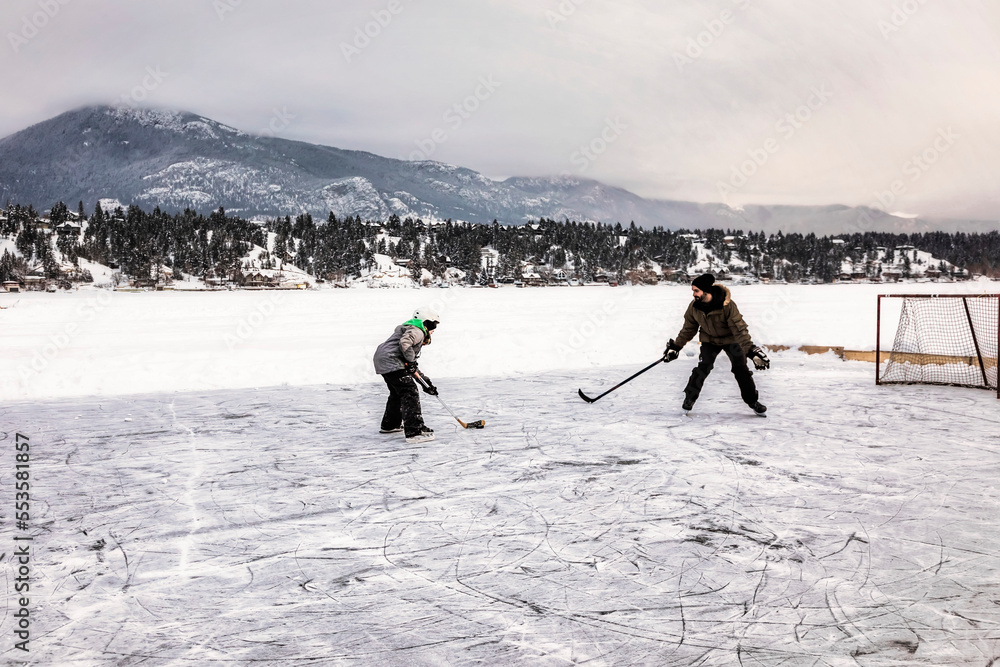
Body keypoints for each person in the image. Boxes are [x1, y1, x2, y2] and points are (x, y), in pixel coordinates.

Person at [663, 274, 770, 415]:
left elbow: (739, 330)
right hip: (709, 340)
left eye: (696, 291)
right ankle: (689, 398)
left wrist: (751, 350)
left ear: (706, 291)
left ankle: (752, 401)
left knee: (740, 369)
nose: (693, 294)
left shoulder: (727, 305)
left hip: (731, 340)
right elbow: (688, 329)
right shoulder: (694, 307)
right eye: (693, 291)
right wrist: (676, 347)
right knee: (703, 367)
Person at [373, 307, 442, 443]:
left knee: (397, 393)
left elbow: (411, 366)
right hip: (391, 360)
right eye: (433, 325)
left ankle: (390, 424)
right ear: (426, 322)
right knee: (409, 392)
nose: (434, 330)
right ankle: (414, 431)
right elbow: (405, 344)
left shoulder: (411, 329)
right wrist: (410, 361)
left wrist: (425, 383)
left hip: (384, 360)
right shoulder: (417, 331)